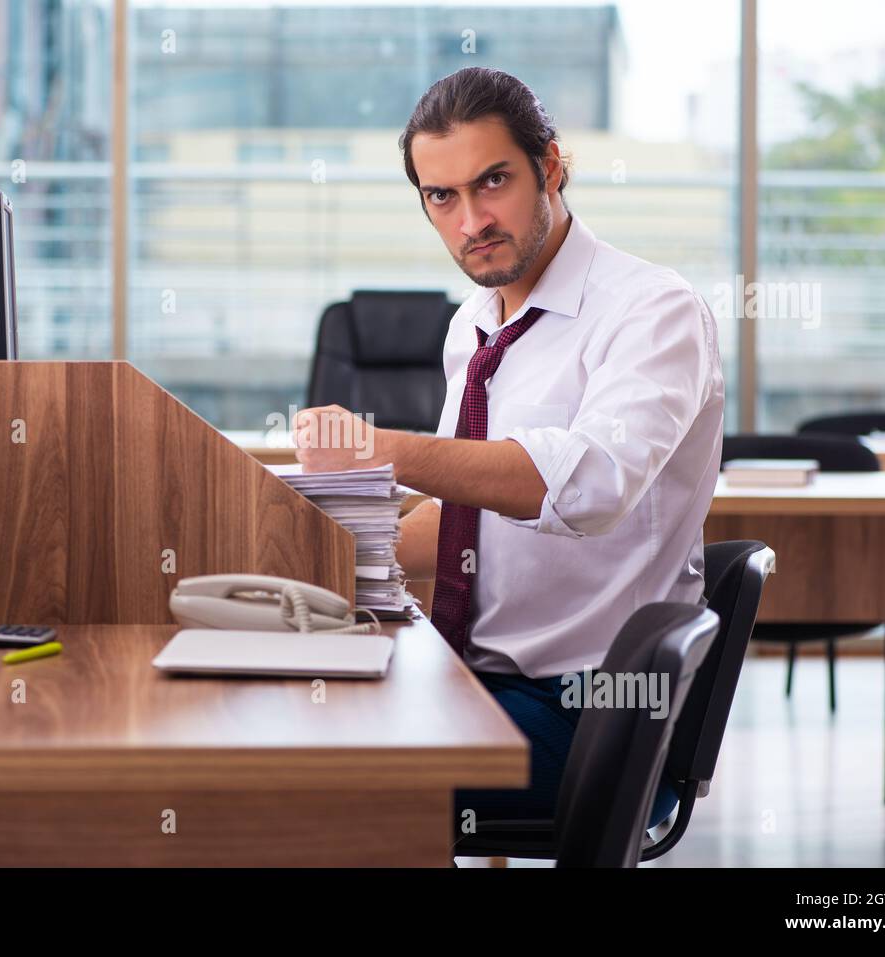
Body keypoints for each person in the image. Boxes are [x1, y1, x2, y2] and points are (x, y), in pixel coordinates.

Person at [292, 67, 724, 838]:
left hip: (591, 713)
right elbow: (470, 520)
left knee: (306, 784)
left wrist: (382, 450)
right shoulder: (475, 325)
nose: (471, 221)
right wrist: (296, 541)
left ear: (551, 166)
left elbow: (587, 485)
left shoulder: (652, 310)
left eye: (493, 182)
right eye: (442, 197)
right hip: (476, 680)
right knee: (284, 725)